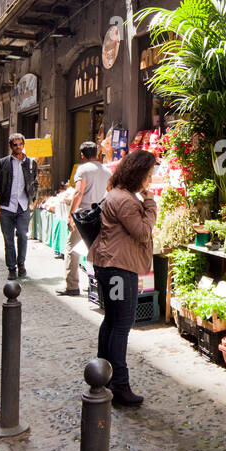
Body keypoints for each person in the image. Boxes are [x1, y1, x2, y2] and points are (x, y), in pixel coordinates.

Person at [87, 149, 157, 407]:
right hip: (118, 269)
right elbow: (141, 232)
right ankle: (119, 384)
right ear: (138, 174)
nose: (149, 180)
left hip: (110, 265)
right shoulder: (127, 201)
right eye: (148, 175)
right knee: (121, 324)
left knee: (112, 321)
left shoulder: (115, 194)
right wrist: (150, 205)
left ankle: (103, 373)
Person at [59, 140, 112, 297]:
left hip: (84, 216)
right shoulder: (107, 171)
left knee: (71, 248)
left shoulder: (83, 170)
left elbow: (78, 193)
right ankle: (99, 286)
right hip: (100, 215)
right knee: (96, 250)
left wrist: (70, 215)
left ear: (82, 155)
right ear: (96, 154)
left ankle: (72, 285)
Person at [0, 133, 39, 280]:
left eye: (20, 144)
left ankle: (21, 264)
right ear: (10, 146)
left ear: (23, 145)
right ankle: (11, 268)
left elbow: (35, 182)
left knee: (23, 237)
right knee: (8, 239)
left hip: (23, 206)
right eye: (15, 144)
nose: (18, 147)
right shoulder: (3, 162)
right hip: (7, 206)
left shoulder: (31, 163)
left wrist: (33, 198)